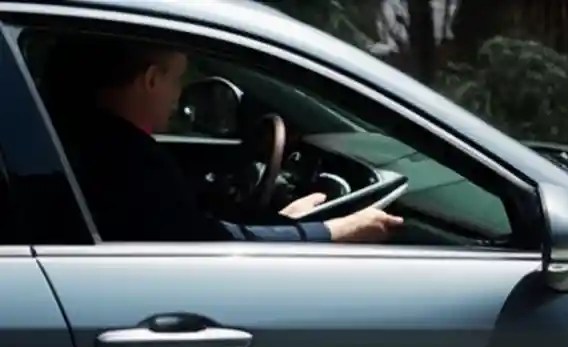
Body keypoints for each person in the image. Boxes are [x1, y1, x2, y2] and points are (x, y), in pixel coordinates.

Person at [40, 35, 403, 244]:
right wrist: (334, 232)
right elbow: (209, 245)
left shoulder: (78, 142)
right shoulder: (122, 162)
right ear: (151, 80)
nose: (178, 94)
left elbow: (194, 230)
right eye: (177, 79)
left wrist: (281, 223)